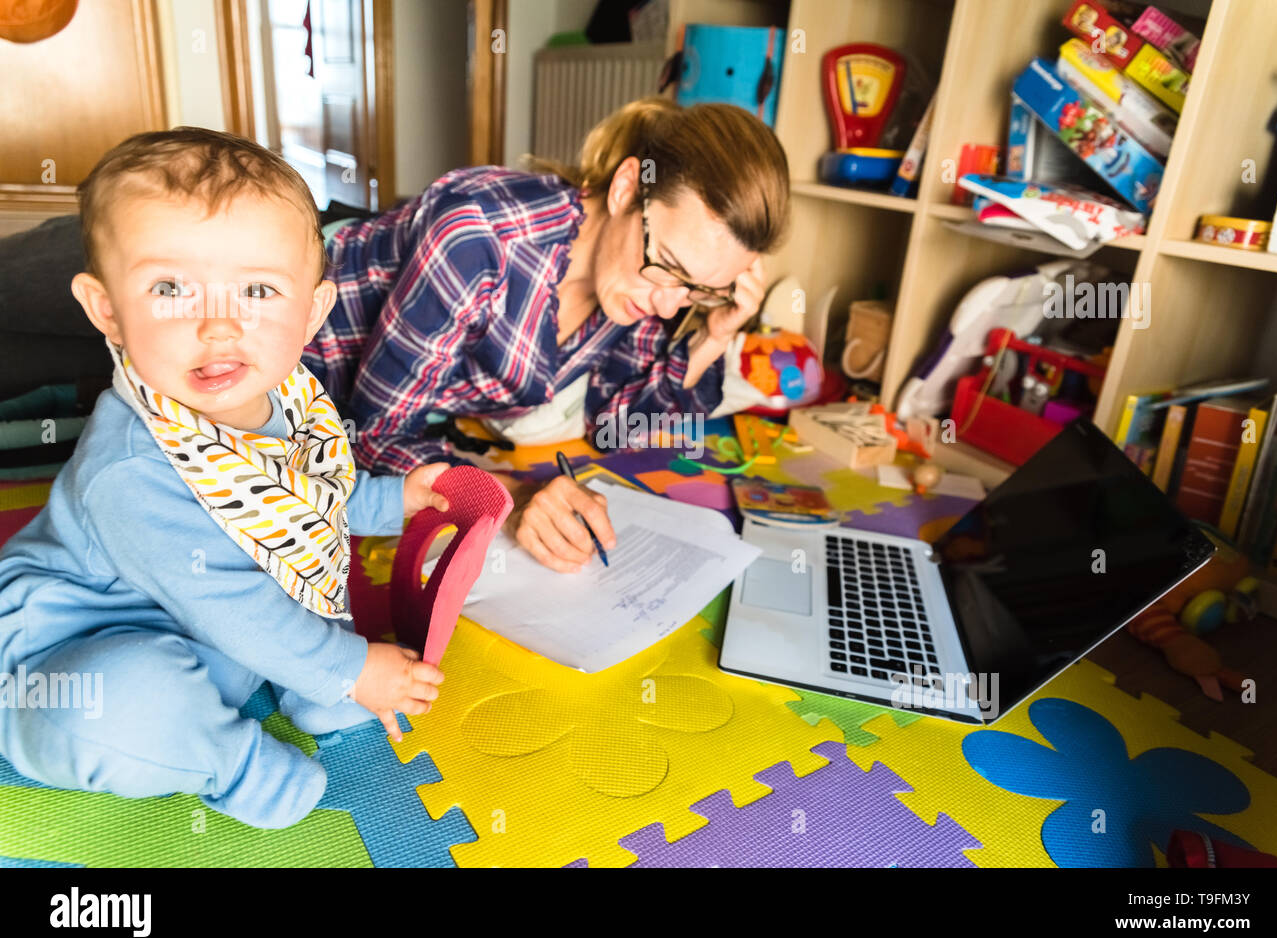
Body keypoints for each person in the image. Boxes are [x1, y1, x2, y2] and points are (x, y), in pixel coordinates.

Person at [0, 128, 453, 829]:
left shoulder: (288, 396)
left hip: (195, 624)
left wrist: (395, 498)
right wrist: (351, 668)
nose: (219, 325)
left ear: (311, 311)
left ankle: (295, 678)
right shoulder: (132, 468)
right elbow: (232, 603)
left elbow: (310, 491)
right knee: (116, 705)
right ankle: (231, 761)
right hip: (64, 651)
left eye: (258, 289)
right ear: (108, 309)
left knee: (273, 628)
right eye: (171, 288)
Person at [303, 96, 790, 574]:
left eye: (697, 289)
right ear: (625, 188)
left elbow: (613, 426)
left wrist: (713, 334)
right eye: (668, 267)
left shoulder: (642, 283)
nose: (667, 303)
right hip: (290, 384)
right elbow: (378, 434)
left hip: (387, 423)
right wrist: (511, 497)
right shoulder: (478, 235)